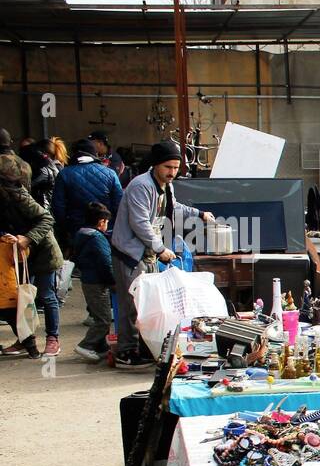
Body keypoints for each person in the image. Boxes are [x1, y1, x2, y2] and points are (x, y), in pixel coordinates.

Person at [110, 140, 215, 370]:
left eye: (176, 168)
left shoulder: (166, 186)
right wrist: (161, 249)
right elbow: (139, 223)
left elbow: (174, 207)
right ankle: (126, 352)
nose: (172, 172)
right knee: (130, 304)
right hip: (131, 252)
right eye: (168, 167)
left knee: (148, 304)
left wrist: (199, 214)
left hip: (149, 253)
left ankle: (143, 348)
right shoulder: (141, 186)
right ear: (156, 165)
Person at [0, 154, 63, 358]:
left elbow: (47, 219)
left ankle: (53, 338)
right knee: (24, 298)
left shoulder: (19, 195)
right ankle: (24, 339)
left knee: (46, 296)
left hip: (43, 252)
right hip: (20, 255)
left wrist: (27, 238)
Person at [53, 137, 123, 246]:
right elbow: (119, 205)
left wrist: (65, 230)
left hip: (76, 231)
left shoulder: (64, 174)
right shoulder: (110, 174)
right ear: (94, 153)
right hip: (105, 230)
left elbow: (58, 207)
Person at [70, 201, 115, 362]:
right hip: (97, 282)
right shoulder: (97, 238)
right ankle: (86, 345)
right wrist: (113, 281)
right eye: (107, 222)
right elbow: (105, 262)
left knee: (98, 315)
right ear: (101, 222)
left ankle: (101, 347)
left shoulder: (81, 234)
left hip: (88, 280)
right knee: (103, 319)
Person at [19, 140, 57, 209]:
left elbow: (27, 186)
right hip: (46, 204)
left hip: (43, 205)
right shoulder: (51, 164)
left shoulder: (44, 168)